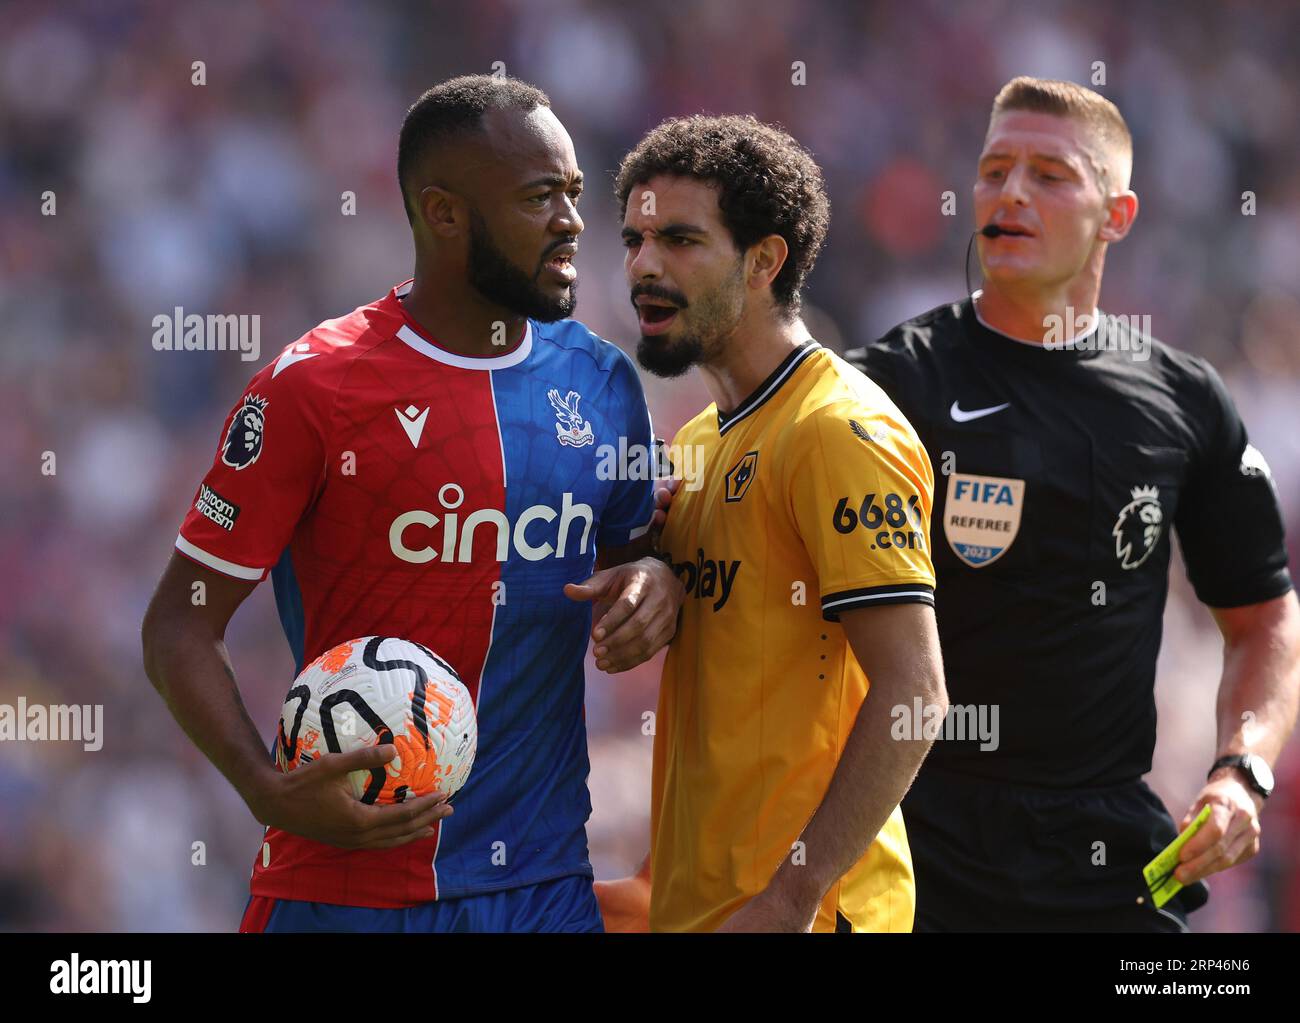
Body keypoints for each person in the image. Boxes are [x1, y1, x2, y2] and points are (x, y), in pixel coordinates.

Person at [140, 75, 684, 933]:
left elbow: (633, 572)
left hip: (539, 891)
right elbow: (178, 624)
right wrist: (264, 787)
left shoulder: (605, 384)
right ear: (444, 214)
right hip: (342, 891)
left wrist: (657, 580)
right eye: (541, 197)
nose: (574, 222)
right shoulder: (313, 387)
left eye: (575, 195)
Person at [845, 76, 1300, 931]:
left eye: (1049, 174)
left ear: (1116, 215)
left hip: (1104, 853)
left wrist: (1243, 770)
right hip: (910, 845)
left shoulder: (1186, 398)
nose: (1009, 192)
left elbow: (1265, 619)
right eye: (992, 170)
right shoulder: (887, 383)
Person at [597, 114, 948, 932]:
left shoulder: (835, 428)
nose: (644, 266)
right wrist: (655, 580)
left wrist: (789, 897)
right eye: (634, 239)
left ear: (764, 260)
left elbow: (916, 693)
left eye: (680, 239)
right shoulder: (696, 441)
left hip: (814, 915)